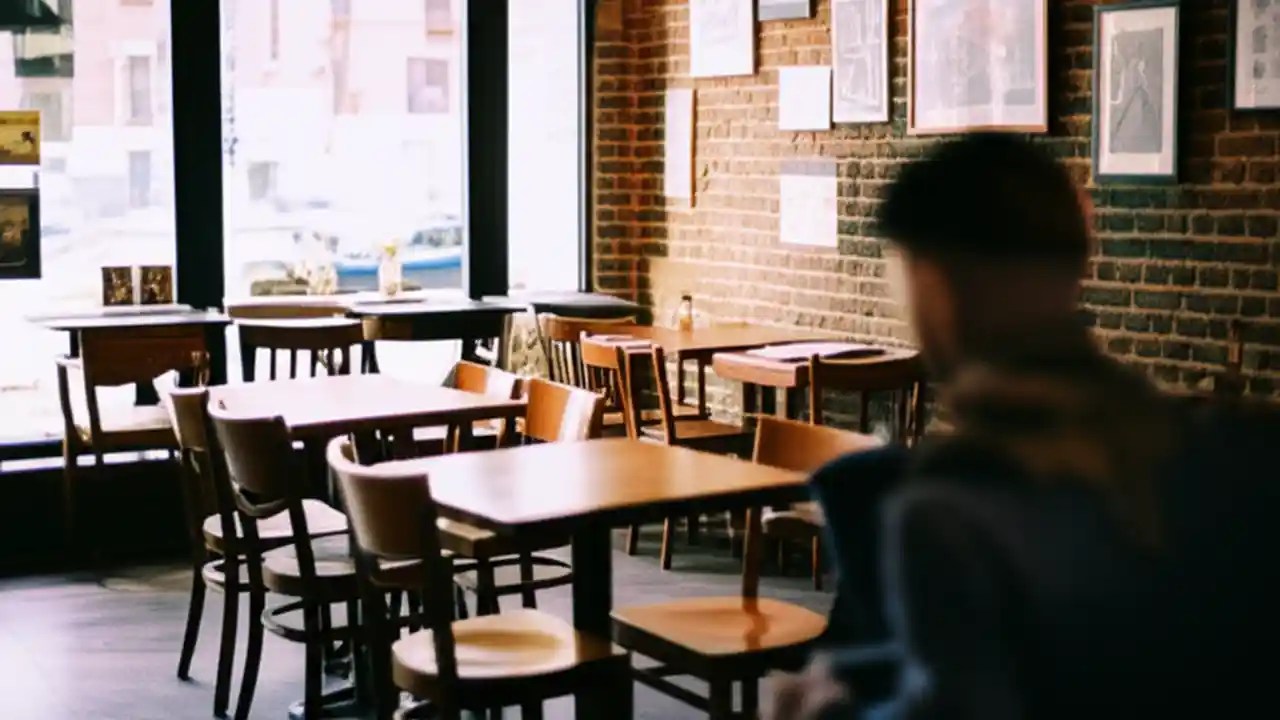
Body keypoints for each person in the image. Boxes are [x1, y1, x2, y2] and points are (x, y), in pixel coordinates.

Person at [769, 133, 1280, 719]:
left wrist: (823, 710)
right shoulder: (1244, 448)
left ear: (930, 282)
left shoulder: (946, 514)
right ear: (1079, 257)